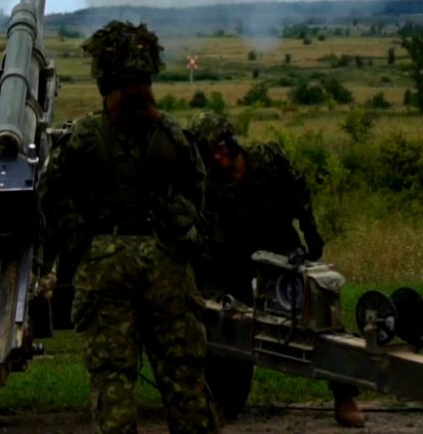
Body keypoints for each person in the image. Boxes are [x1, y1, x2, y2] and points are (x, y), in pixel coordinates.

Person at [39, 21, 218, 434]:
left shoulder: (85, 136)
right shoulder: (172, 136)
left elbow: (49, 191)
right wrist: (182, 232)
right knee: (184, 379)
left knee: (113, 379)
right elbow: (199, 190)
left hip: (103, 263)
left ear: (104, 83)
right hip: (166, 265)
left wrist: (79, 240)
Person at [188, 112, 365, 429]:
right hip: (233, 258)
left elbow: (299, 192)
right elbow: (204, 236)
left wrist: (311, 235)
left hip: (281, 251)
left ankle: (345, 395)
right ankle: (224, 399)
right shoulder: (208, 186)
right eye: (208, 152)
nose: (216, 157)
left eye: (219, 148)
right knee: (224, 320)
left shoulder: (267, 160)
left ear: (231, 142)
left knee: (319, 317)